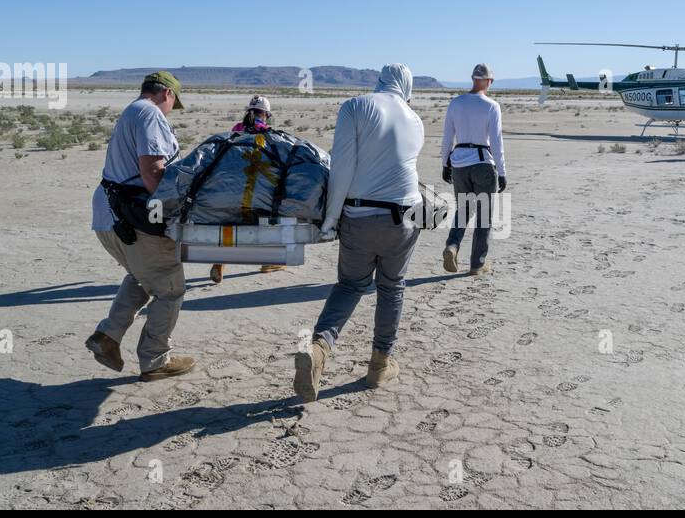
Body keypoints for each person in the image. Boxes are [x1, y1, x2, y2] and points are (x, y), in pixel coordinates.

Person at [294, 64, 424, 402]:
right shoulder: (415, 119)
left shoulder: (356, 106)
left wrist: (329, 220)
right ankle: (379, 364)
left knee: (351, 285)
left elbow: (343, 168)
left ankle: (320, 348)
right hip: (406, 217)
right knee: (392, 287)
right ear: (405, 86)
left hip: (361, 216)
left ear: (379, 81)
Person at [85, 71, 195, 382]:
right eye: (174, 102)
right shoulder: (150, 113)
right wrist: (179, 206)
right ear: (167, 94)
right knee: (170, 289)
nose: (171, 108)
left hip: (109, 216)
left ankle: (107, 337)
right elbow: (152, 172)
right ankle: (155, 360)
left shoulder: (131, 111)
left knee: (142, 276)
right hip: (134, 218)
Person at [208, 95, 284, 284]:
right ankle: (270, 262)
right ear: (266, 115)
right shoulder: (267, 133)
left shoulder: (236, 130)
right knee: (272, 222)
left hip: (231, 186)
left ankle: (221, 260)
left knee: (231, 224)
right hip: (254, 188)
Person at [440, 63, 506, 275]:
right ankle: (477, 264)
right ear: (488, 81)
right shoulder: (491, 106)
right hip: (483, 166)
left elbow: (447, 138)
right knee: (484, 216)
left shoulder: (456, 103)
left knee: (464, 210)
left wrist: (445, 164)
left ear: (472, 79)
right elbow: (496, 142)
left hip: (459, 165)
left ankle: (452, 245)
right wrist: (502, 172)